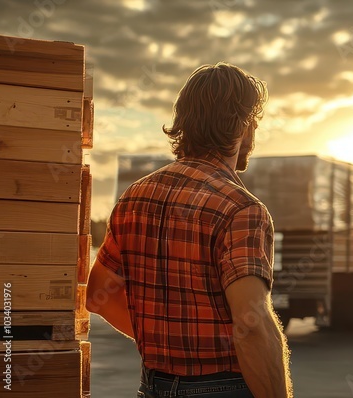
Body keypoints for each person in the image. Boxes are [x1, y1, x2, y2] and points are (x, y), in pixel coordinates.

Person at [86, 63, 293, 397]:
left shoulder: (134, 197)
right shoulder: (242, 209)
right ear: (243, 127)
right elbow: (251, 324)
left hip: (153, 385)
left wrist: (165, 340)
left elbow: (99, 295)